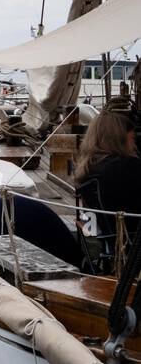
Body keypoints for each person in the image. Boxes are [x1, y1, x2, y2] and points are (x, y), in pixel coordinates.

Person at [74, 108, 141, 263]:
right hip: (133, 246)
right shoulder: (129, 168)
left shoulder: (87, 171)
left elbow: (89, 225)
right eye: (132, 139)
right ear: (119, 139)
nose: (134, 145)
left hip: (111, 248)